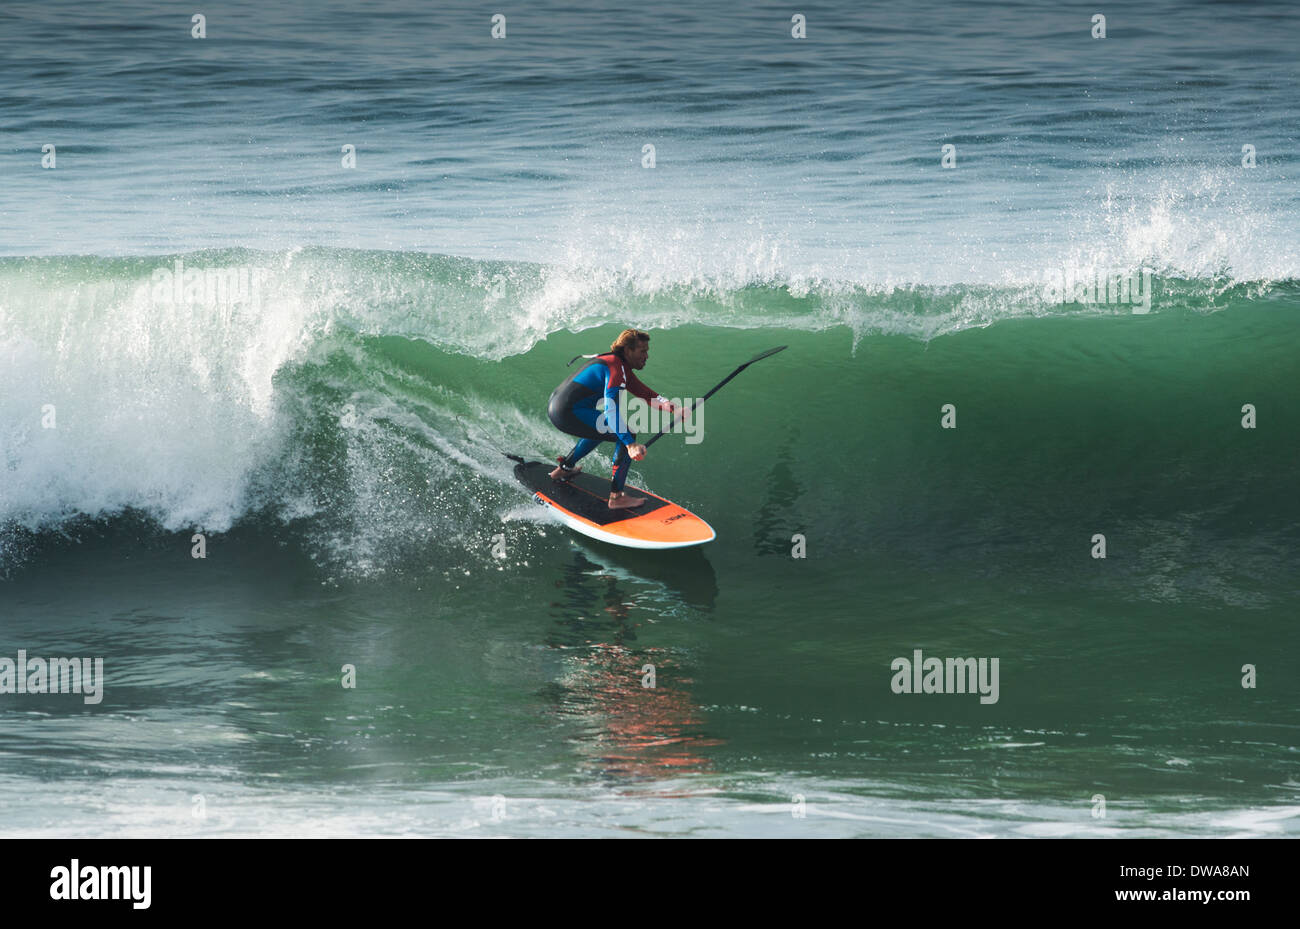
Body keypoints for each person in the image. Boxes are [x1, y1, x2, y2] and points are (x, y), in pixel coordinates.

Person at [546, 329, 683, 509]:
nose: (647, 356)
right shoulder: (616, 369)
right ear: (628, 350)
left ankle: (563, 470)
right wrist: (629, 444)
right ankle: (616, 498)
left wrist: (674, 408)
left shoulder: (617, 364)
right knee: (625, 433)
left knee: (601, 430)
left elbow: (646, 394)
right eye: (643, 351)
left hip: (559, 407)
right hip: (567, 412)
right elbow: (611, 410)